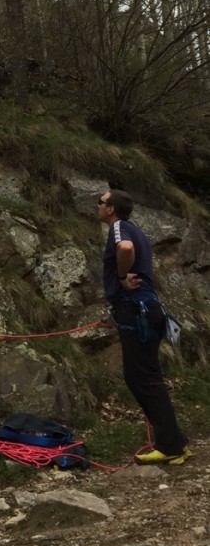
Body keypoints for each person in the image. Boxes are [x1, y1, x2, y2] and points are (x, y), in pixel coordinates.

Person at [98, 189, 190, 465]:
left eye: (101, 202)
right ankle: (174, 441)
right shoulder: (137, 230)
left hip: (136, 311)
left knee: (142, 379)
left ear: (111, 209)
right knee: (144, 377)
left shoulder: (119, 228)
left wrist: (121, 277)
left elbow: (125, 249)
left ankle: (170, 446)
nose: (98, 206)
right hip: (145, 310)